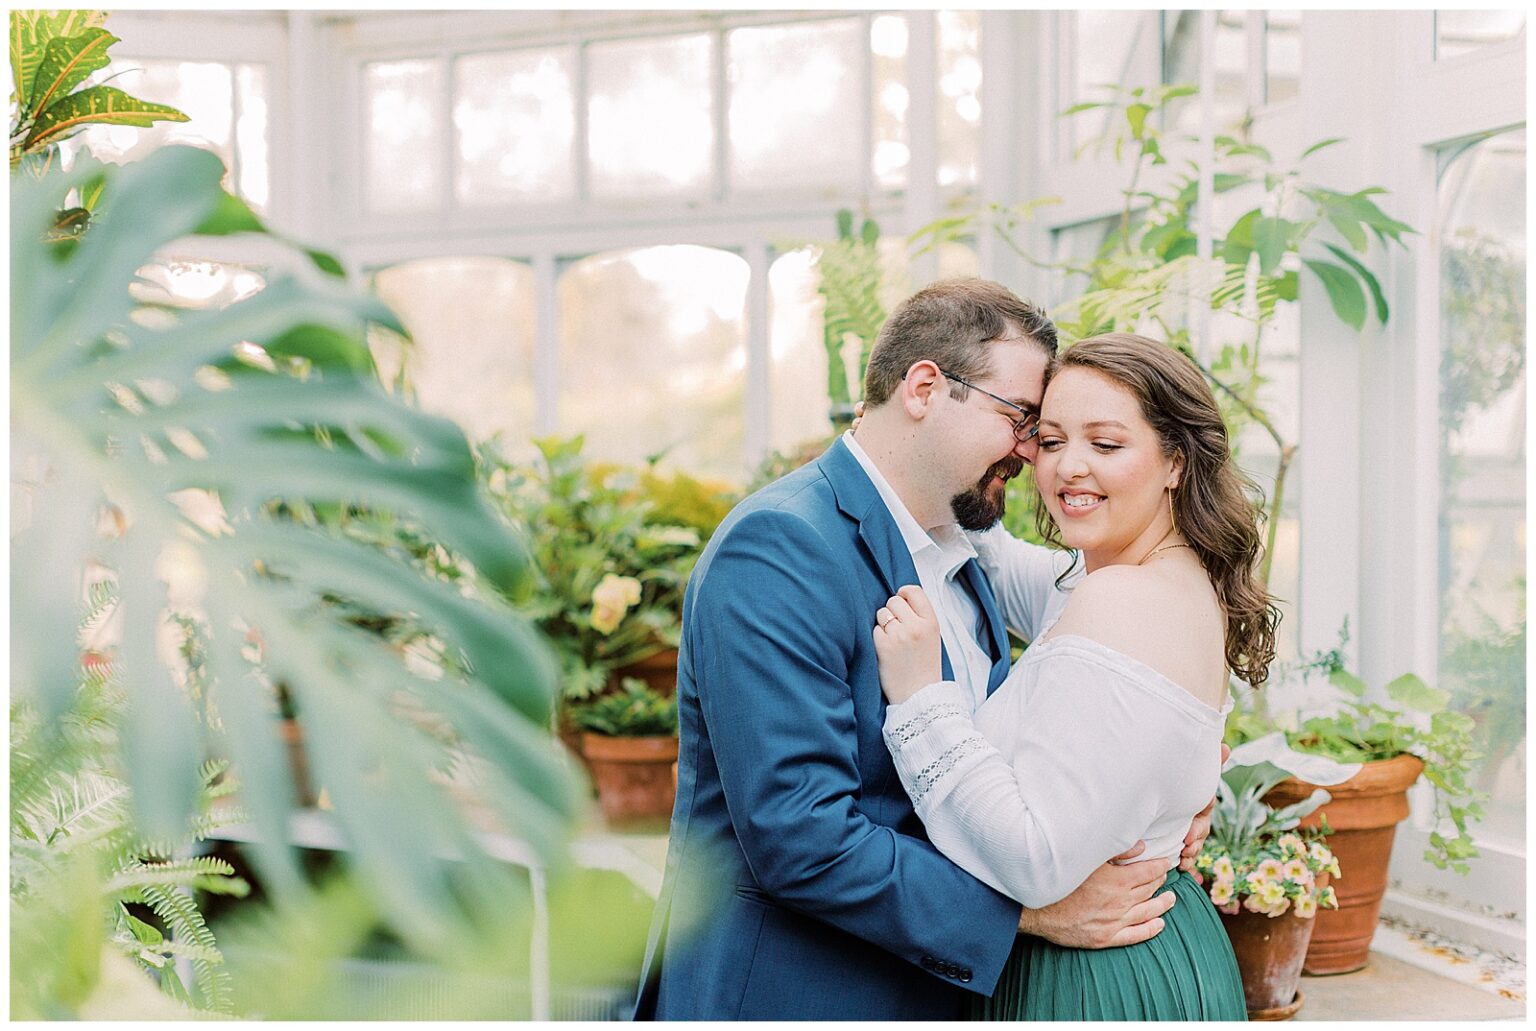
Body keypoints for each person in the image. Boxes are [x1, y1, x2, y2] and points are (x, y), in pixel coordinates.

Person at [633, 282, 1218, 1021]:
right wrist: (1028, 915)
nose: (1030, 451)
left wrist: (1169, 783)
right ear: (925, 388)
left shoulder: (965, 543)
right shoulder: (780, 546)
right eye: (1023, 419)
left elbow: (1132, 673)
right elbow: (799, 833)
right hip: (802, 994)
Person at [873, 331, 1279, 1020]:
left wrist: (920, 699)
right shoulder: (1153, 578)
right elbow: (985, 552)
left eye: (1107, 444)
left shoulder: (1121, 599)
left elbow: (1036, 860)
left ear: (1176, 460)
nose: (1068, 468)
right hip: (1158, 948)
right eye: (1051, 441)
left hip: (1094, 973)